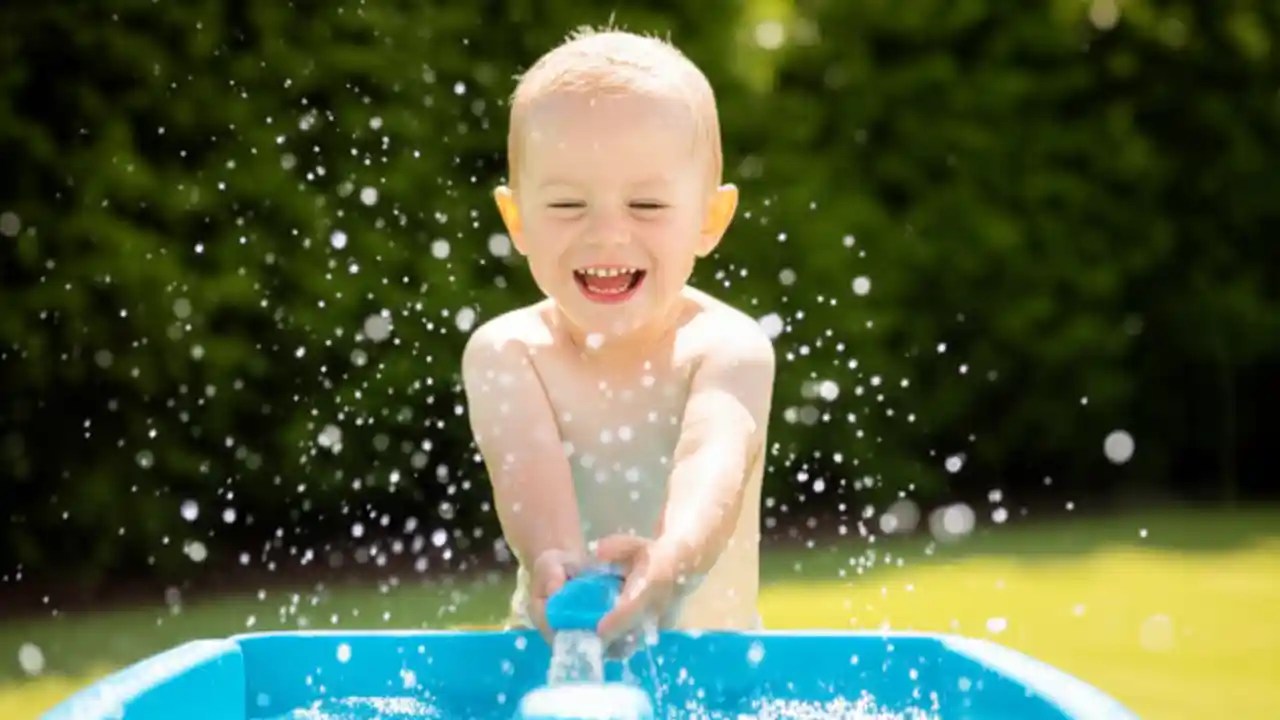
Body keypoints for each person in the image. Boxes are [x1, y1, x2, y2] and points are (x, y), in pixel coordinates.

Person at [461, 25, 775, 651]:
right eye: (568, 205)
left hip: (716, 674)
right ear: (516, 219)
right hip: (553, 656)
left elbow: (709, 466)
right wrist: (555, 563)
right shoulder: (510, 352)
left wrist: (671, 559)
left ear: (709, 220)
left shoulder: (727, 349)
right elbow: (531, 485)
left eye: (648, 207)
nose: (606, 235)